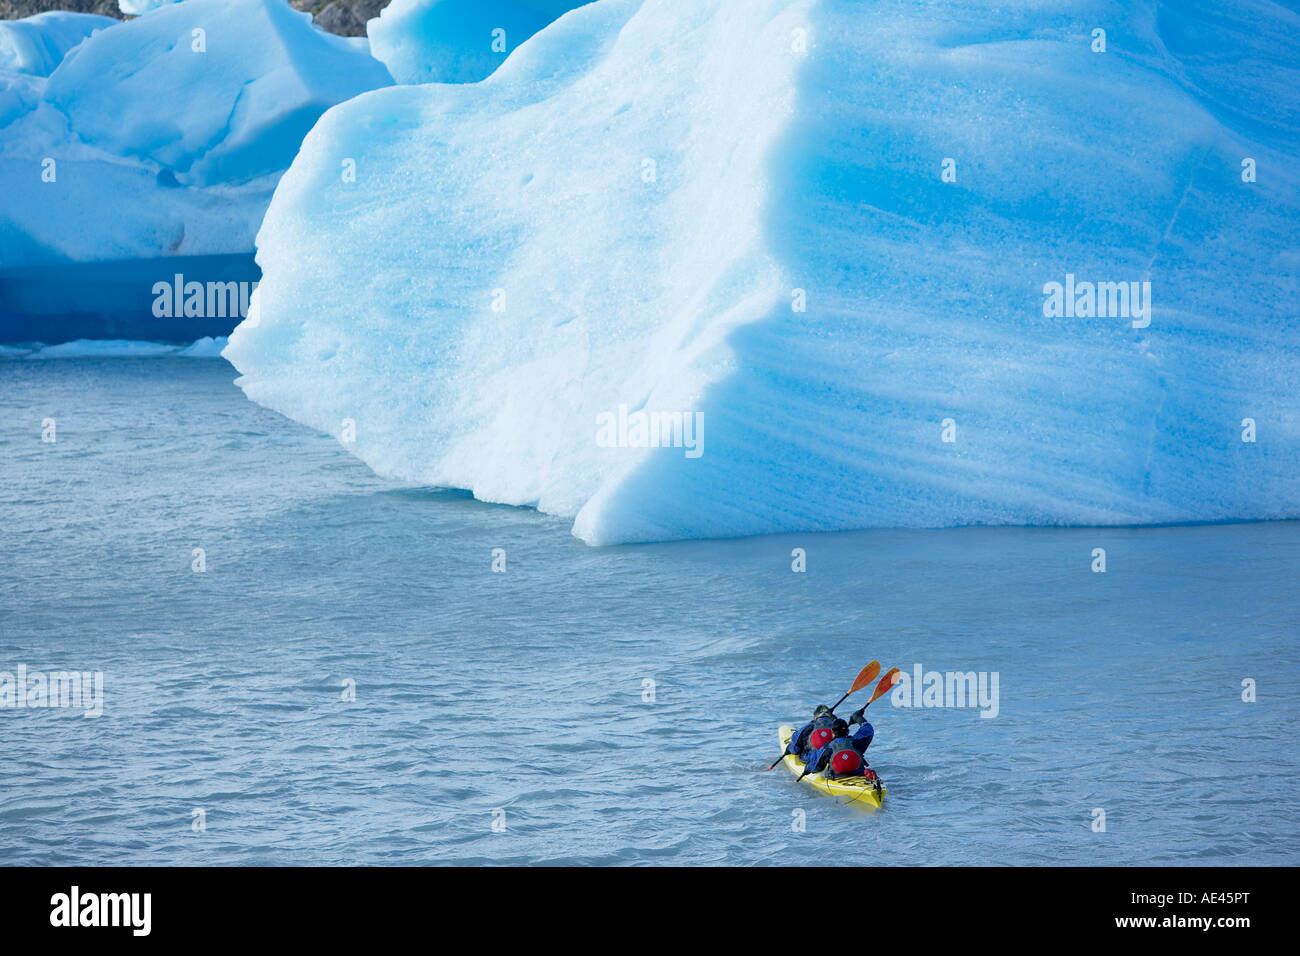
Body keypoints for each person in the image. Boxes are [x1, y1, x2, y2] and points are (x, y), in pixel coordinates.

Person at [804, 719, 876, 781]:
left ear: (832, 731)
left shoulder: (828, 747)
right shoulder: (856, 742)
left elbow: (814, 767)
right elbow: (868, 730)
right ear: (847, 731)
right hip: (859, 773)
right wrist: (859, 719)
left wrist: (807, 769)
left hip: (837, 777)